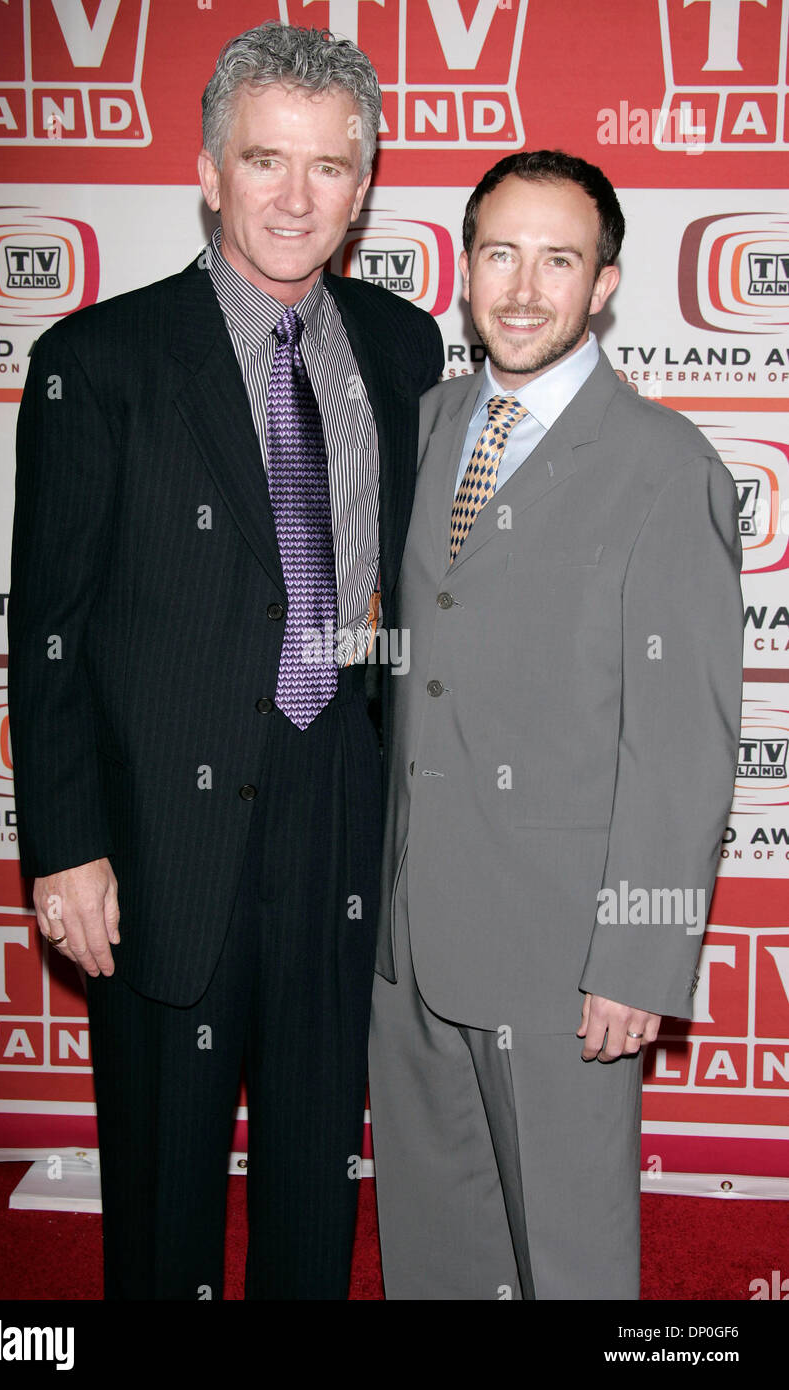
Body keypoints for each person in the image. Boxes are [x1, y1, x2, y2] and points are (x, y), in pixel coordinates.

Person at [8, 21, 443, 1301]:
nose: (295, 199)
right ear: (207, 170)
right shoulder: (95, 364)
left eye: (327, 168)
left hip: (341, 813)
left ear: (362, 187)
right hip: (158, 839)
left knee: (318, 1175)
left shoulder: (404, 347)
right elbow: (49, 629)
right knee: (163, 1186)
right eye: (265, 161)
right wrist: (64, 844)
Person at [368, 149, 742, 1300]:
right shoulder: (418, 426)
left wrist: (636, 955)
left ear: (604, 283)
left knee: (571, 1266)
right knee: (436, 1255)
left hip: (566, 955)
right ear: (464, 266)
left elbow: (684, 745)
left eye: (558, 260)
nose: (523, 289)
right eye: (499, 254)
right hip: (409, 939)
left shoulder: (664, 466)